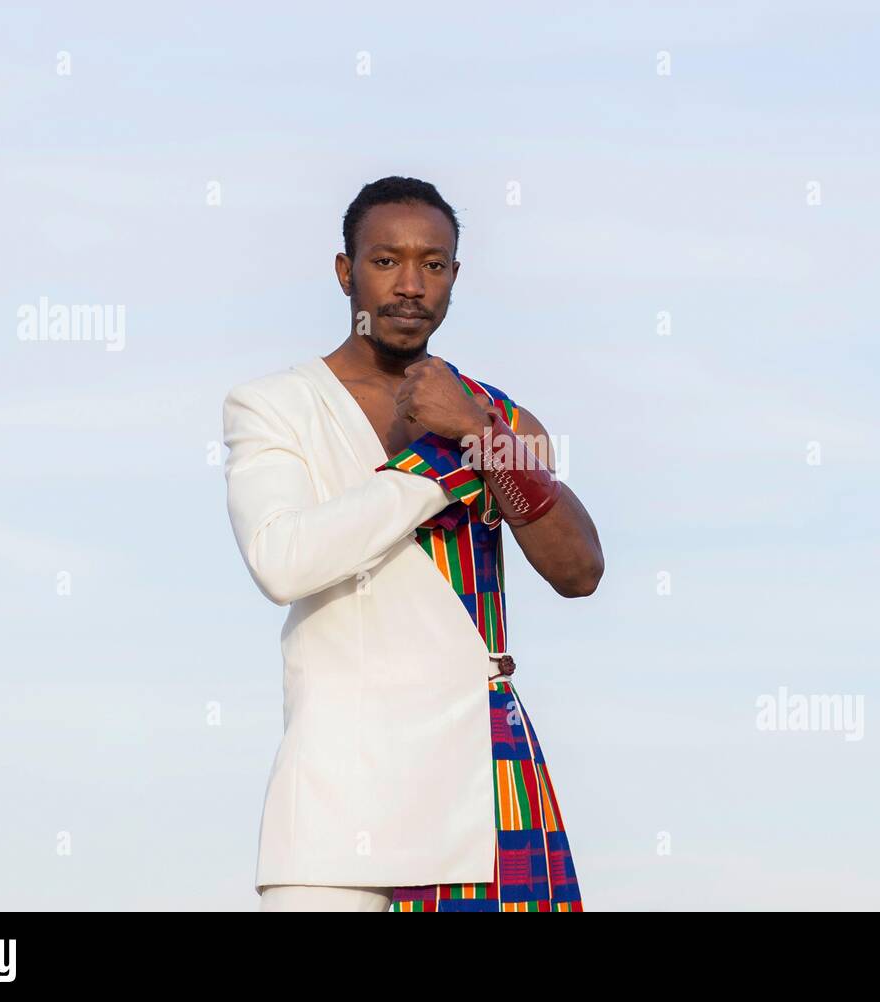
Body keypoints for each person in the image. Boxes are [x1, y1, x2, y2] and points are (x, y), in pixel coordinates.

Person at [222, 176, 604, 911]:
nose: (409, 285)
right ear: (345, 272)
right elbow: (283, 561)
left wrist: (485, 439)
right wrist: (442, 462)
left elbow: (579, 569)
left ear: (455, 278)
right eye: (385, 261)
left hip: (474, 775)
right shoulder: (275, 404)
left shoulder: (497, 418)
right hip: (335, 787)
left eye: (433, 264)